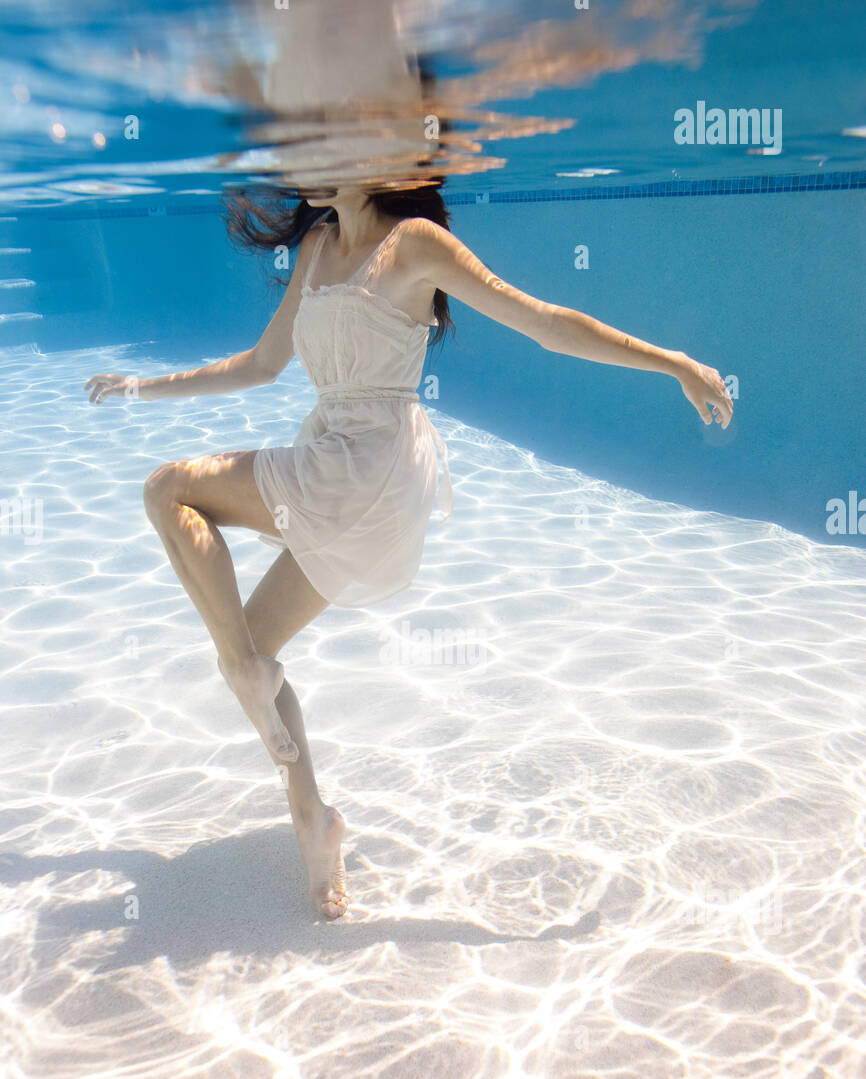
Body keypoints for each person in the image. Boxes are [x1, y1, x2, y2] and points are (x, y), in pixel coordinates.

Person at [84, 180, 732, 921]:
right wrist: (142, 387)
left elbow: (547, 324)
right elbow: (262, 365)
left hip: (364, 468)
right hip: (349, 471)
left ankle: (241, 671)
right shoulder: (320, 244)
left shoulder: (415, 242)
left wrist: (674, 362)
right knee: (256, 640)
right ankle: (311, 818)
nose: (305, 153)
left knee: (171, 493)